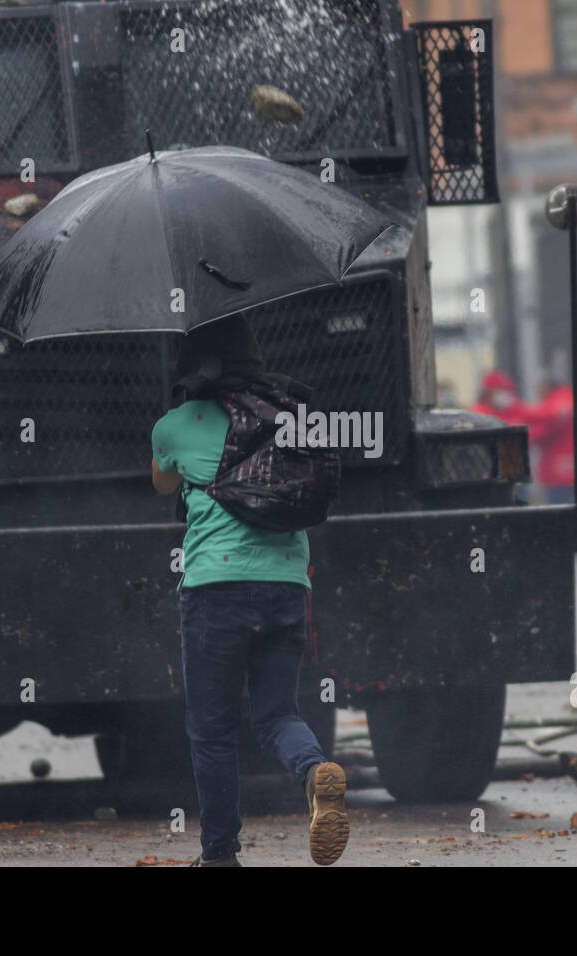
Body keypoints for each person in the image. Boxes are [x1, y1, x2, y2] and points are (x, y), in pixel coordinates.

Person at [150, 315, 348, 868]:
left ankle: (220, 856)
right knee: (277, 714)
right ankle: (314, 771)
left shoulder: (176, 424)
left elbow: (162, 479)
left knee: (213, 732)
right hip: (286, 583)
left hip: (216, 589)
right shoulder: (290, 413)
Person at [527, 377, 577, 505]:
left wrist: (528, 436)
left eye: (540, 389)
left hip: (555, 471)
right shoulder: (574, 401)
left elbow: (543, 430)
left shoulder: (553, 403)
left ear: (548, 387)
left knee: (558, 511)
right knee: (575, 506)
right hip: (575, 469)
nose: (539, 393)